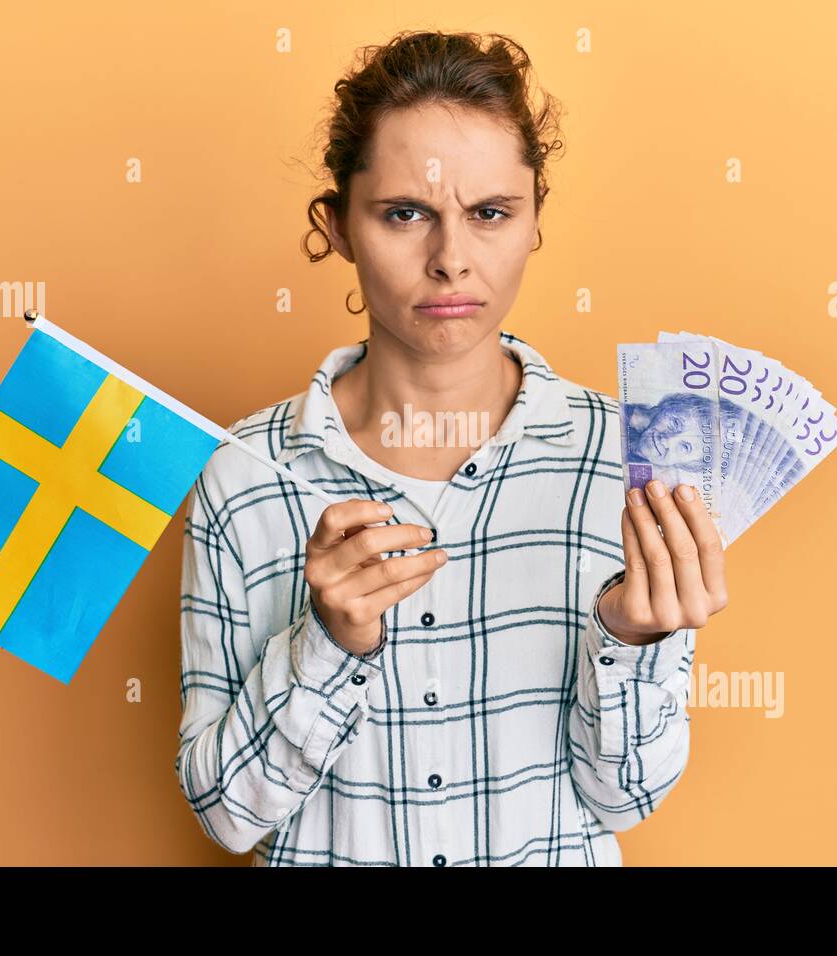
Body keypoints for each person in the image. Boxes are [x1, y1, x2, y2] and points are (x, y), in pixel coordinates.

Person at [175, 29, 728, 866]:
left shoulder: (627, 464)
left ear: (534, 217)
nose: (451, 261)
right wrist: (327, 641)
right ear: (339, 225)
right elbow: (226, 816)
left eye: (491, 214)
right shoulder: (244, 477)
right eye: (405, 214)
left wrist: (628, 641)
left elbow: (627, 799)